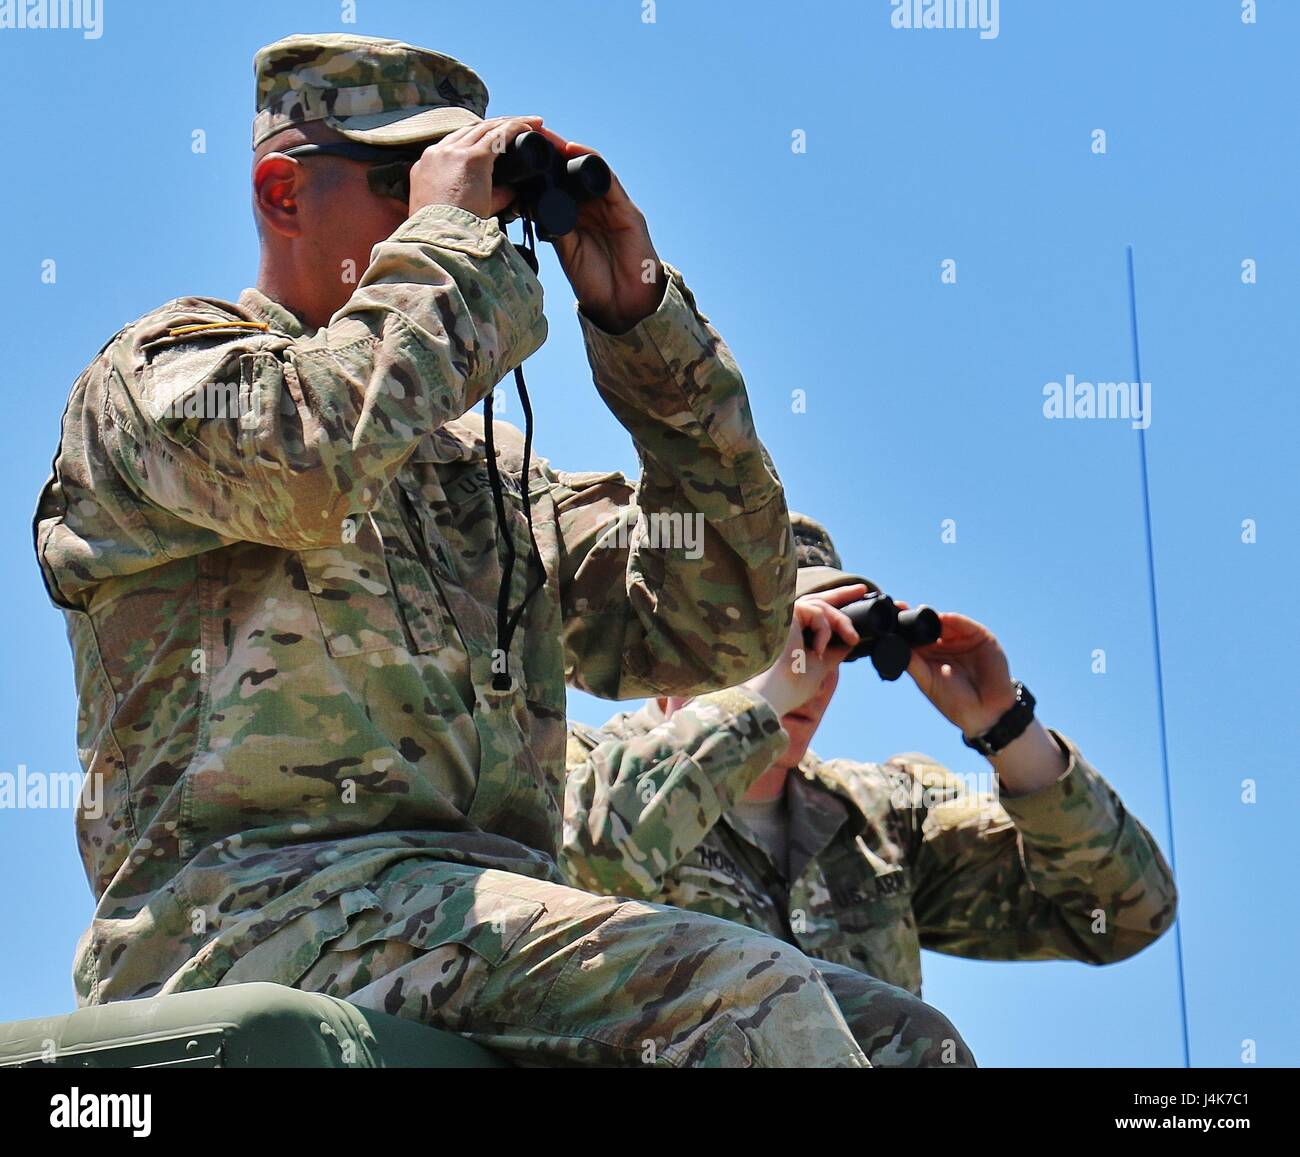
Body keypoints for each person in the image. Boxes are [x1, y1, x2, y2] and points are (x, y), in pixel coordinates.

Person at [33, 32, 887, 1067]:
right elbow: (310, 454)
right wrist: (444, 238)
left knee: (899, 1037)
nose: (468, 213)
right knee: (748, 994)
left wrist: (641, 319)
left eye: (484, 190)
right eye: (407, 180)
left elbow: (712, 619)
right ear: (282, 194)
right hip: (252, 917)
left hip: (473, 921)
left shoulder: (481, 471)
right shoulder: (166, 374)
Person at [563, 513, 1179, 1057]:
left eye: (835, 645)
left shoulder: (881, 818)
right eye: (782, 639)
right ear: (689, 640)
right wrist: (754, 707)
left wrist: (1006, 728)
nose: (813, 671)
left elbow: (1123, 915)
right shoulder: (574, 765)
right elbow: (589, 866)